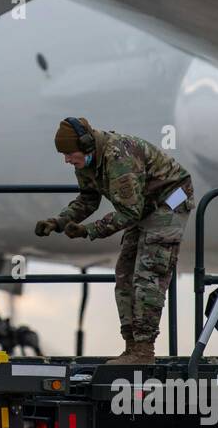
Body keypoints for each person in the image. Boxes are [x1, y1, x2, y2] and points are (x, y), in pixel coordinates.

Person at [34, 116, 194, 365]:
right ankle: (132, 347)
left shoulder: (119, 157)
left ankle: (143, 351)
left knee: (149, 270)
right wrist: (59, 222)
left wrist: (89, 230)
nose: (67, 160)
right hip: (144, 206)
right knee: (125, 272)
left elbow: (130, 213)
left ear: (86, 145)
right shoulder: (85, 162)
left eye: (70, 153)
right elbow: (88, 200)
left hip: (171, 199)